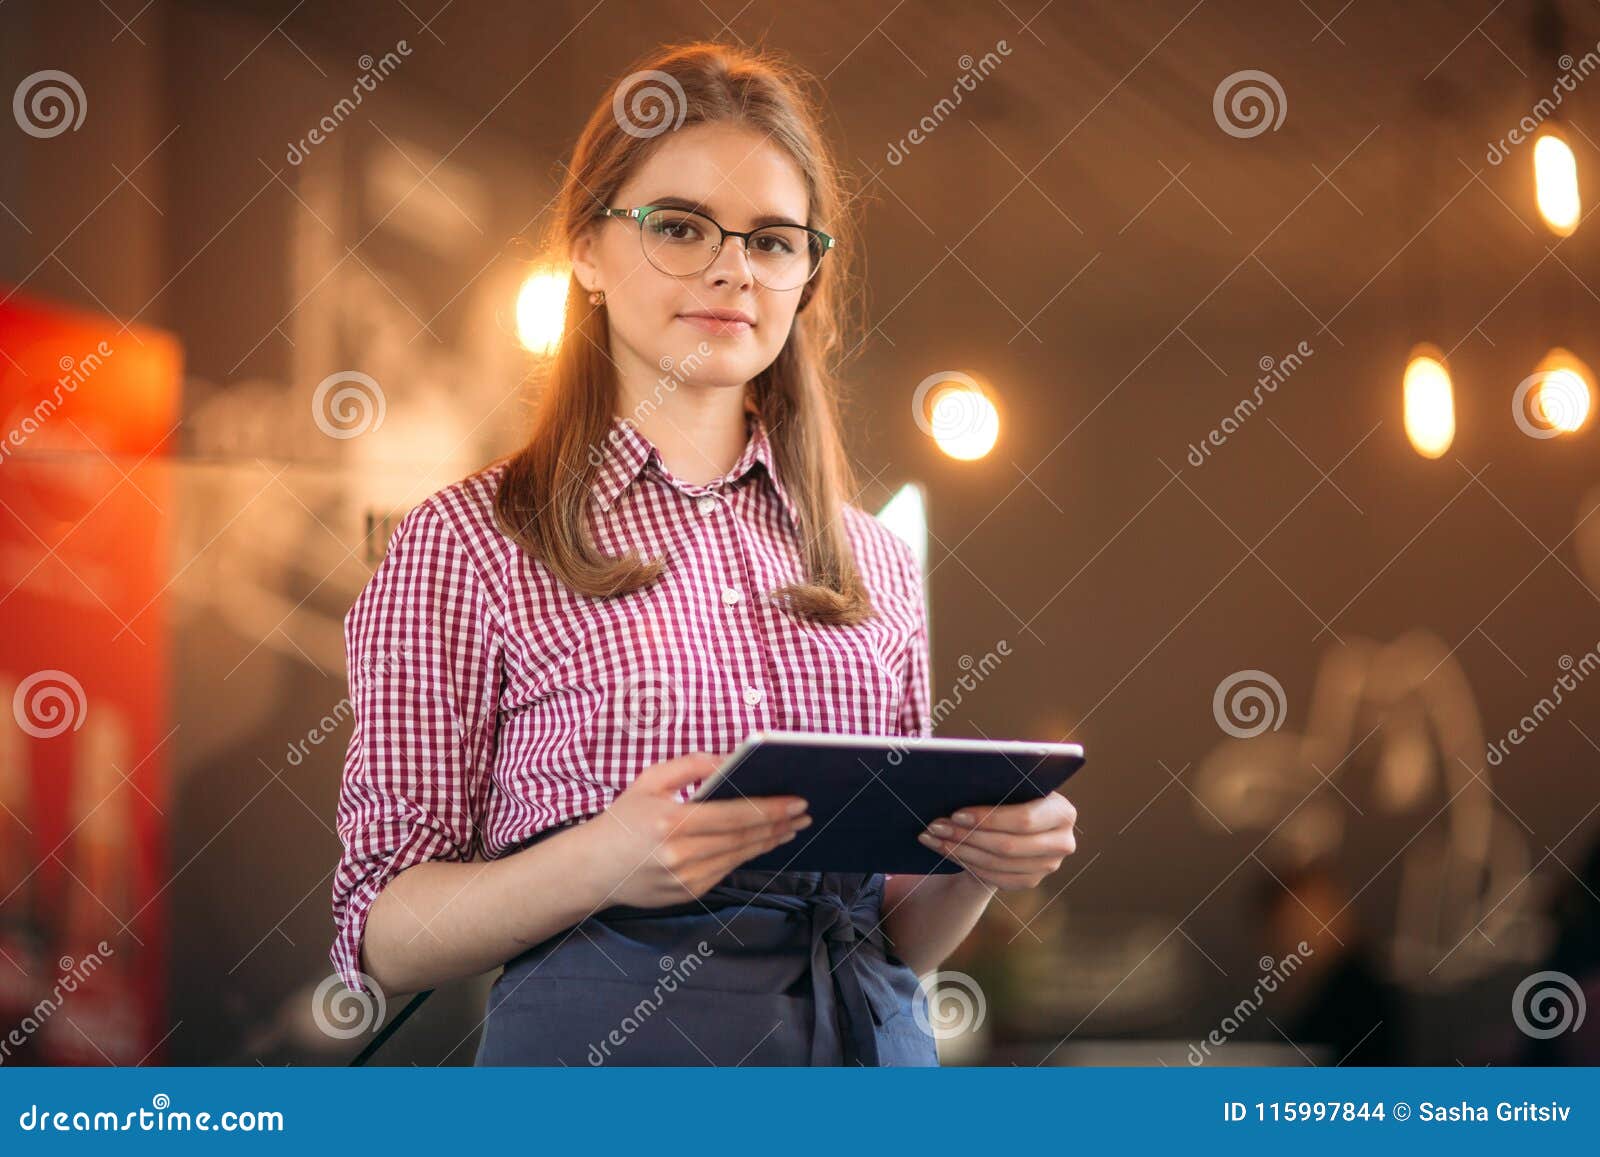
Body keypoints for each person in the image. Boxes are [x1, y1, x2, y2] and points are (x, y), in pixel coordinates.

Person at [328, 41, 1079, 1066]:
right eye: (680, 226)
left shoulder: (872, 561)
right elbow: (383, 932)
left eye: (773, 241)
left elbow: (901, 937)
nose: (733, 267)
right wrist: (601, 858)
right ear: (586, 251)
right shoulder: (468, 540)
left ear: (806, 275)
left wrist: (978, 863)